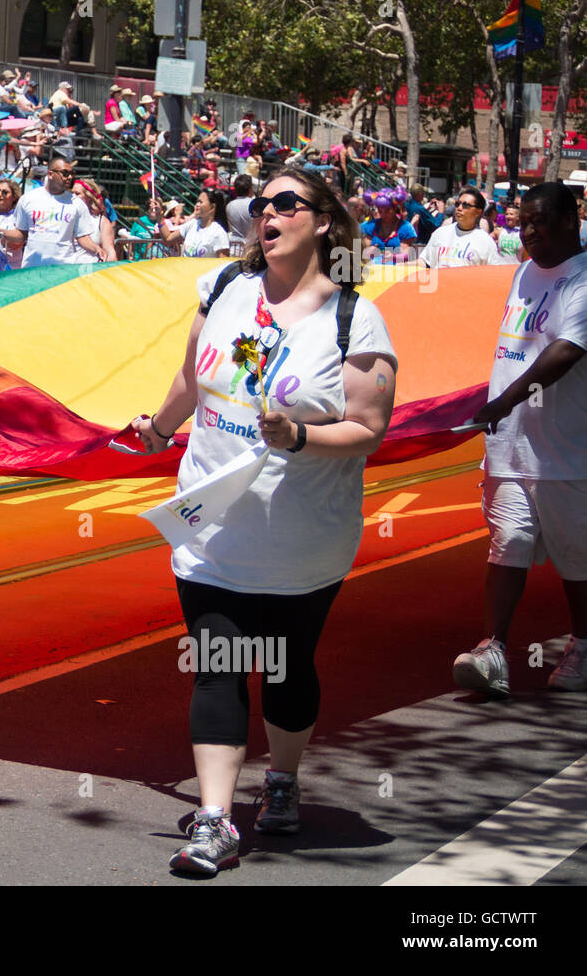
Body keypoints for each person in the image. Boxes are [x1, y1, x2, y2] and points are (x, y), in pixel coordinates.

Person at [128, 167, 397, 876]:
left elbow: (369, 427)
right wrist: (157, 429)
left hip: (302, 537)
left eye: (285, 203)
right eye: (260, 204)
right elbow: (193, 378)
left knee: (285, 667)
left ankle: (281, 776)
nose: (266, 214)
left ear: (322, 221)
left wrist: (300, 437)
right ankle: (215, 820)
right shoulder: (221, 289)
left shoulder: (354, 317)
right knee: (217, 664)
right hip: (210, 528)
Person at [453, 182, 587, 697]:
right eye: (523, 223)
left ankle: (583, 643)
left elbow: (566, 352)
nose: (528, 233)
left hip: (567, 450)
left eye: (539, 223)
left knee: (577, 557)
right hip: (508, 445)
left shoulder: (582, 279)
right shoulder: (523, 272)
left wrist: (504, 401)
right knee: (507, 541)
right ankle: (494, 650)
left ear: (571, 223)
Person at [2, 158, 103, 269]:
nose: (69, 177)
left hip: (62, 270)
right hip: (32, 268)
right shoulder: (28, 199)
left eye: (71, 174)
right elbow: (21, 234)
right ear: (50, 174)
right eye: (65, 173)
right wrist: (1, 232)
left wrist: (97, 249)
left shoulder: (77, 204)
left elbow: (83, 237)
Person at [411, 187, 499, 269]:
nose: (459, 208)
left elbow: (493, 274)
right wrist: (400, 266)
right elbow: (425, 262)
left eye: (466, 205)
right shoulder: (440, 233)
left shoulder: (486, 242)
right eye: (457, 204)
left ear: (478, 212)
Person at [152, 190, 232, 258]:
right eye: (197, 201)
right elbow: (168, 239)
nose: (197, 205)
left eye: (201, 202)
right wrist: (159, 217)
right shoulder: (192, 224)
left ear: (212, 207)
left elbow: (223, 265)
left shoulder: (219, 233)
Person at [360, 191, 416, 264]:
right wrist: (368, 251)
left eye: (387, 211)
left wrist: (393, 257)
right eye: (380, 211)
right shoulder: (371, 226)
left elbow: (406, 256)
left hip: (395, 270)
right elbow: (361, 252)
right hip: (372, 269)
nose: (383, 215)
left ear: (395, 209)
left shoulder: (405, 227)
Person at [225, 175, 255, 247]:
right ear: (250, 189)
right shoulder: (254, 204)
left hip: (234, 246)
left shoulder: (229, 205)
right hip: (251, 245)